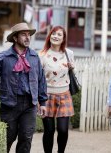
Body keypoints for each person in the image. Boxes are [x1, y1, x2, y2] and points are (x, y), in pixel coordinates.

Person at [0, 22, 48, 153]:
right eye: (23, 34)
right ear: (15, 38)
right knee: (8, 138)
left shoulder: (34, 57)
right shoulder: (3, 57)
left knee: (26, 138)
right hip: (10, 104)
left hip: (30, 104)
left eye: (28, 34)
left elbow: (41, 80)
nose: (27, 37)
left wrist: (43, 102)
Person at [38, 25, 75, 153]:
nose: (56, 36)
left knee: (63, 130)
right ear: (49, 36)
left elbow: (71, 74)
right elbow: (38, 78)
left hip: (64, 95)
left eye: (59, 34)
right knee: (49, 131)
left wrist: (72, 67)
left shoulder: (69, 53)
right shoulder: (42, 55)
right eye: (54, 33)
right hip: (47, 96)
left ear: (63, 38)